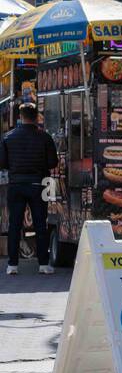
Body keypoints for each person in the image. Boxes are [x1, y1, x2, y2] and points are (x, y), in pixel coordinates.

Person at [1, 102, 59, 276]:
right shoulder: (45, 137)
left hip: (16, 185)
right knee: (41, 224)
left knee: (14, 225)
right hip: (38, 184)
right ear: (36, 117)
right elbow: (53, 163)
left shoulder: (8, 137)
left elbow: (3, 164)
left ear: (20, 117)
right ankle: (43, 264)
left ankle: (12, 265)